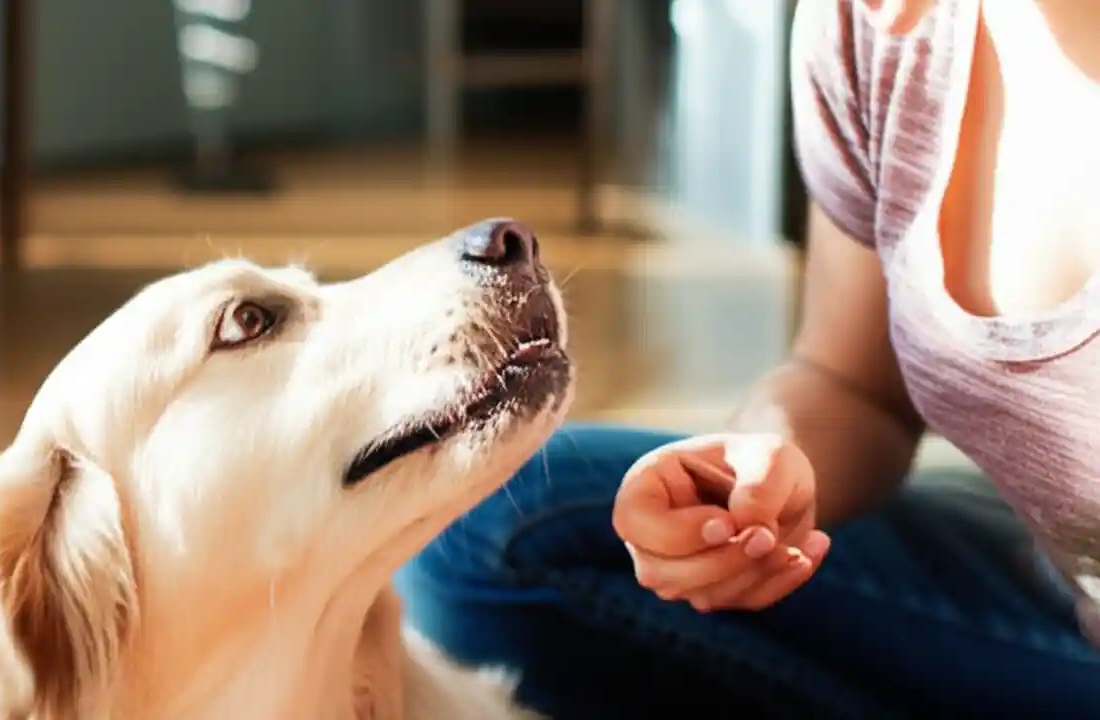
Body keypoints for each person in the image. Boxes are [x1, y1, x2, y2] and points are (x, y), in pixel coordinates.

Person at [393, 0, 1100, 717]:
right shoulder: (881, 31)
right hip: (1049, 601)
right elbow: (851, 384)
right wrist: (760, 470)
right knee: (488, 532)